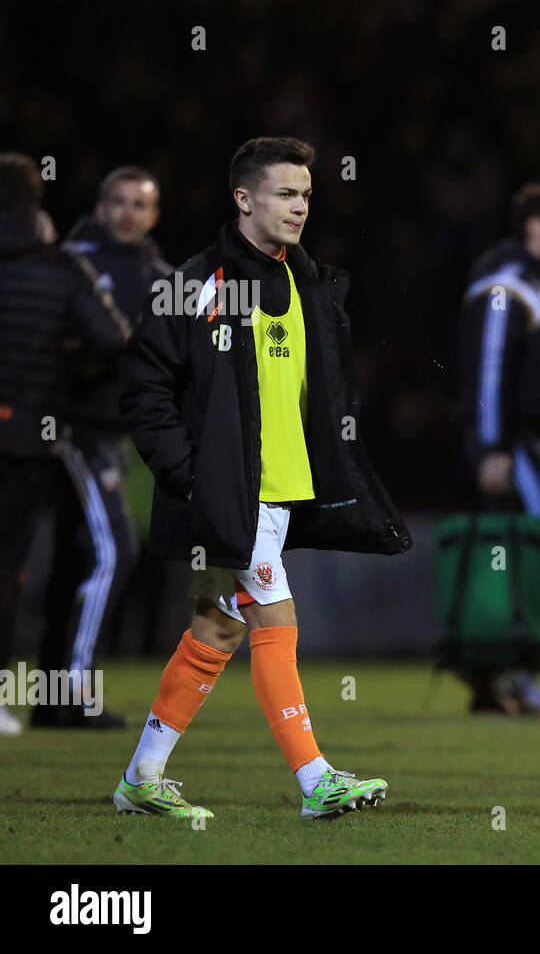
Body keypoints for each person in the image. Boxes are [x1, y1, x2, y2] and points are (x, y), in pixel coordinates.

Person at [113, 136, 411, 819]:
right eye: (284, 193)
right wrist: (188, 475)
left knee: (217, 631)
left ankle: (141, 778)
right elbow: (142, 383)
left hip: (282, 491)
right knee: (277, 620)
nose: (300, 206)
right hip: (229, 498)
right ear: (244, 199)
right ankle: (317, 781)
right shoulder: (198, 283)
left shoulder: (309, 282)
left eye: (306, 194)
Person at [33, 167, 172, 729]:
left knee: (75, 560)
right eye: (117, 201)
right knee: (114, 552)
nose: (126, 214)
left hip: (115, 435)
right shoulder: (70, 262)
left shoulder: (159, 274)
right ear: (99, 205)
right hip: (73, 429)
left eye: (138, 205)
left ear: (153, 215)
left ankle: (52, 699)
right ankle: (72, 692)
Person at [0, 153, 132, 737]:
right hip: (27, 437)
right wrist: (66, 356)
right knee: (9, 570)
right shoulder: (60, 268)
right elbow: (114, 339)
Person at [455, 182, 540, 715]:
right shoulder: (507, 288)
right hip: (515, 443)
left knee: (526, 551)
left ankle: (495, 669)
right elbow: (488, 372)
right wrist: (492, 446)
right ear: (534, 226)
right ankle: (512, 666)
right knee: (533, 548)